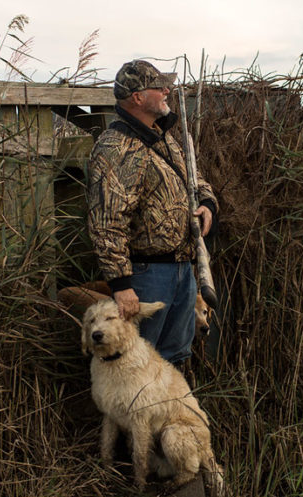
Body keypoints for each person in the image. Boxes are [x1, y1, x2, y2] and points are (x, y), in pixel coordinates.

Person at [86, 59, 218, 367]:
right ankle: (135, 416)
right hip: (147, 275)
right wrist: (121, 285)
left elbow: (193, 179)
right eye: (159, 87)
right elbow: (107, 224)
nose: (167, 91)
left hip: (182, 270)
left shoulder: (163, 137)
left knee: (175, 358)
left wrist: (208, 204)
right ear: (138, 97)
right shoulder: (115, 148)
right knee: (136, 363)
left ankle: (168, 416)